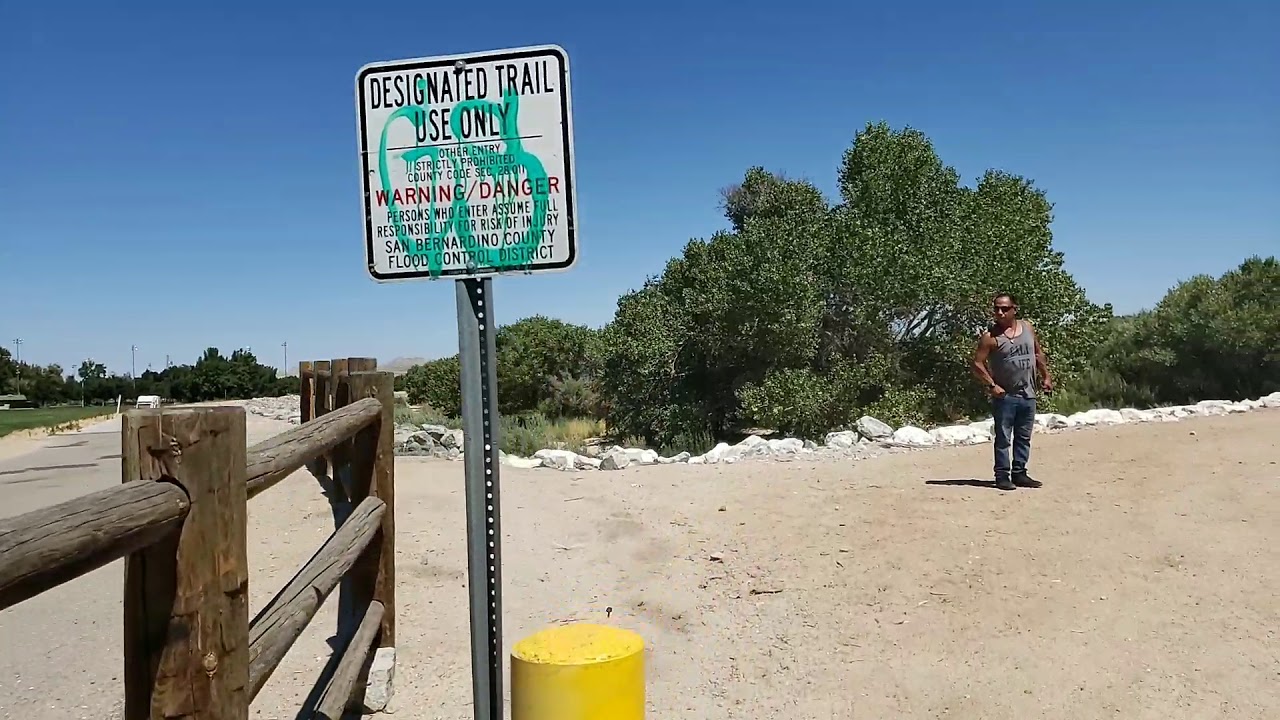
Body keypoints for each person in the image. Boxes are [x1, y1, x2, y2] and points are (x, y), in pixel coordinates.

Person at [971, 293, 1053, 491]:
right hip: (1005, 396)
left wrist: (1046, 376)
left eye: (1005, 308)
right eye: (997, 308)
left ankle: (1020, 473)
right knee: (1003, 437)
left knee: (1024, 436)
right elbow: (977, 363)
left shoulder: (1027, 328)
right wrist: (992, 385)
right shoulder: (990, 337)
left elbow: (1037, 353)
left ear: (1014, 309)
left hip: (1028, 393)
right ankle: (1002, 476)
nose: (1000, 312)